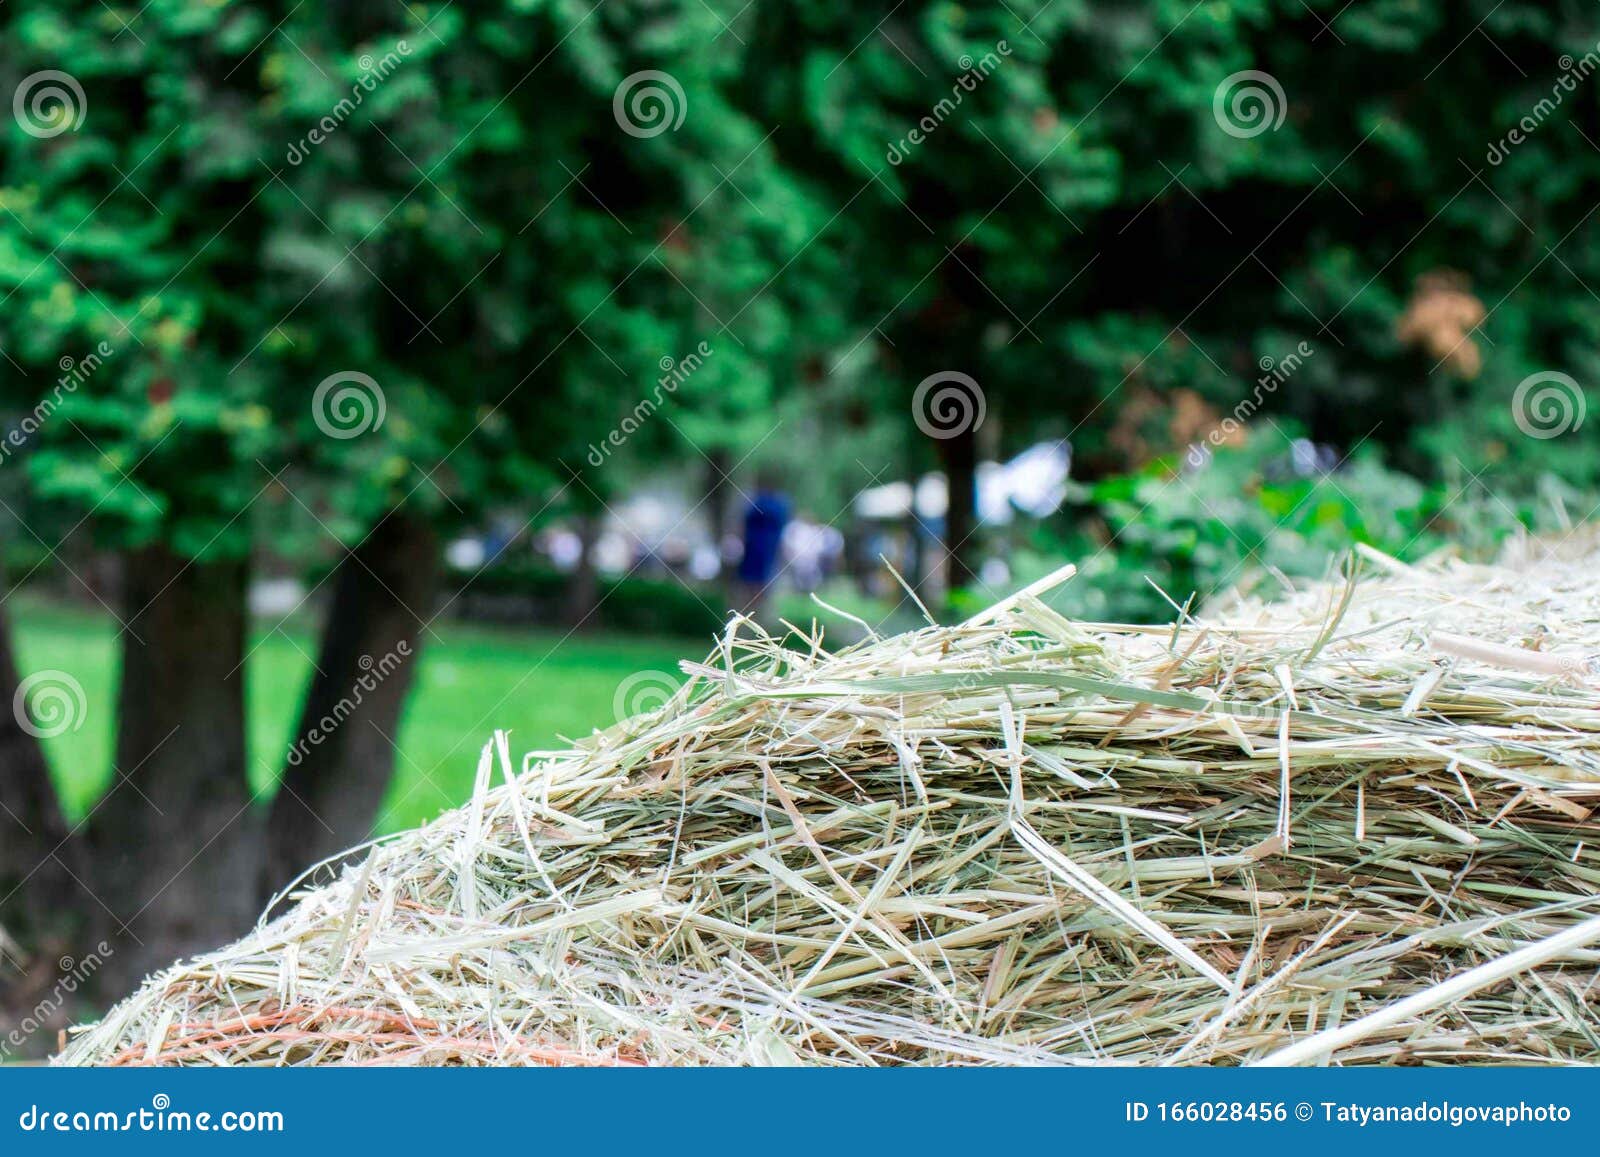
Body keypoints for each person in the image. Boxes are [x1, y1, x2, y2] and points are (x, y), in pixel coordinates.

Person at [735, 472, 790, 620]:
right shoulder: (776, 503)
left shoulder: (759, 501)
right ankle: (753, 612)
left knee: (759, 580)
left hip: (763, 547)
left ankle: (755, 612)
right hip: (759, 547)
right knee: (756, 580)